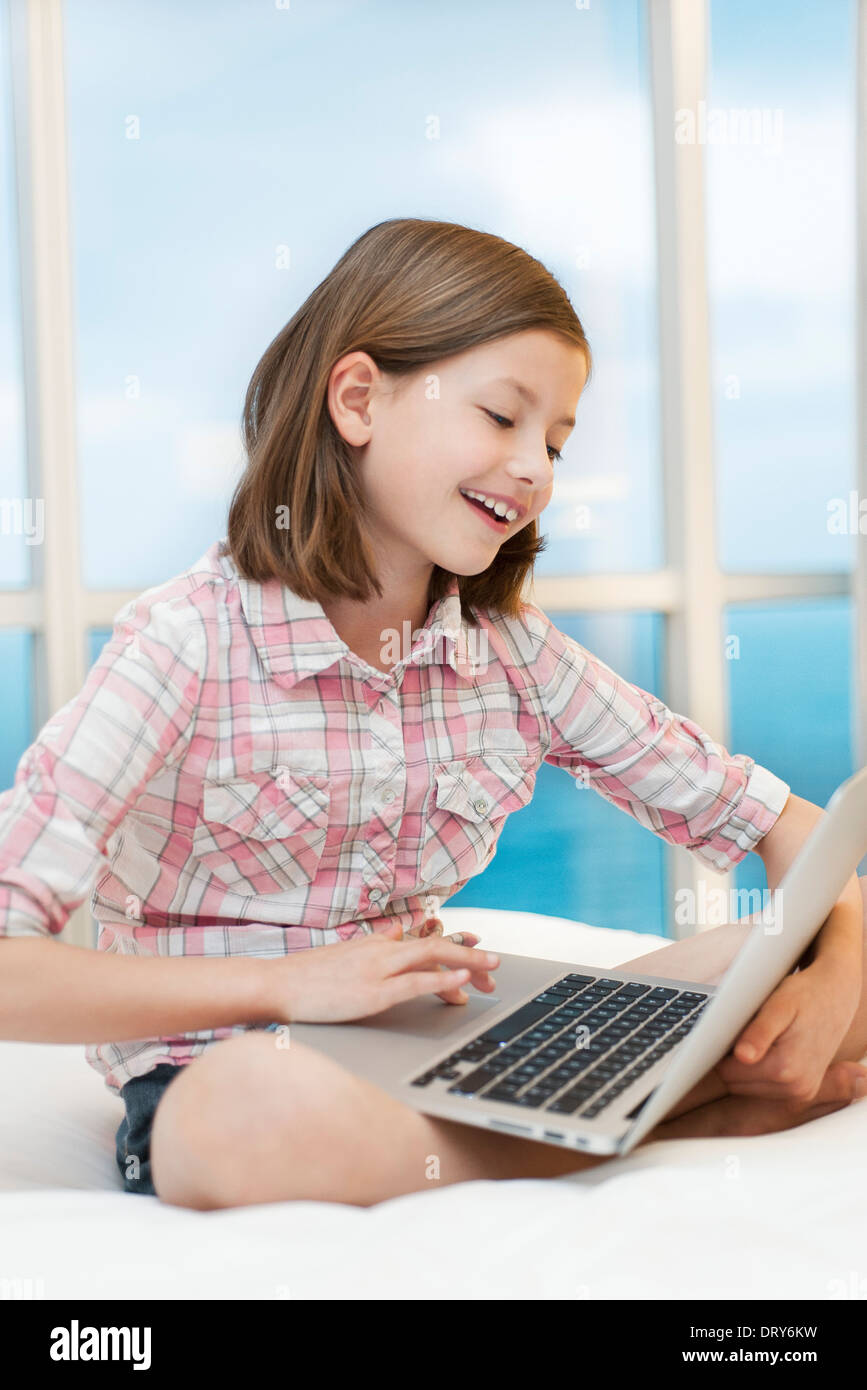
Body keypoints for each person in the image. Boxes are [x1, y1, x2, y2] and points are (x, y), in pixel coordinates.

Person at [1, 218, 865, 1211]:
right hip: (239, 1066)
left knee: (830, 958)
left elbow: (802, 839)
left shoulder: (515, 652)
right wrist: (288, 984)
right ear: (359, 399)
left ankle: (599, 1105)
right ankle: (657, 1113)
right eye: (503, 417)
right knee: (235, 1124)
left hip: (461, 1037)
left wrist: (830, 969)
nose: (537, 467)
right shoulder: (185, 643)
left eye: (555, 440)